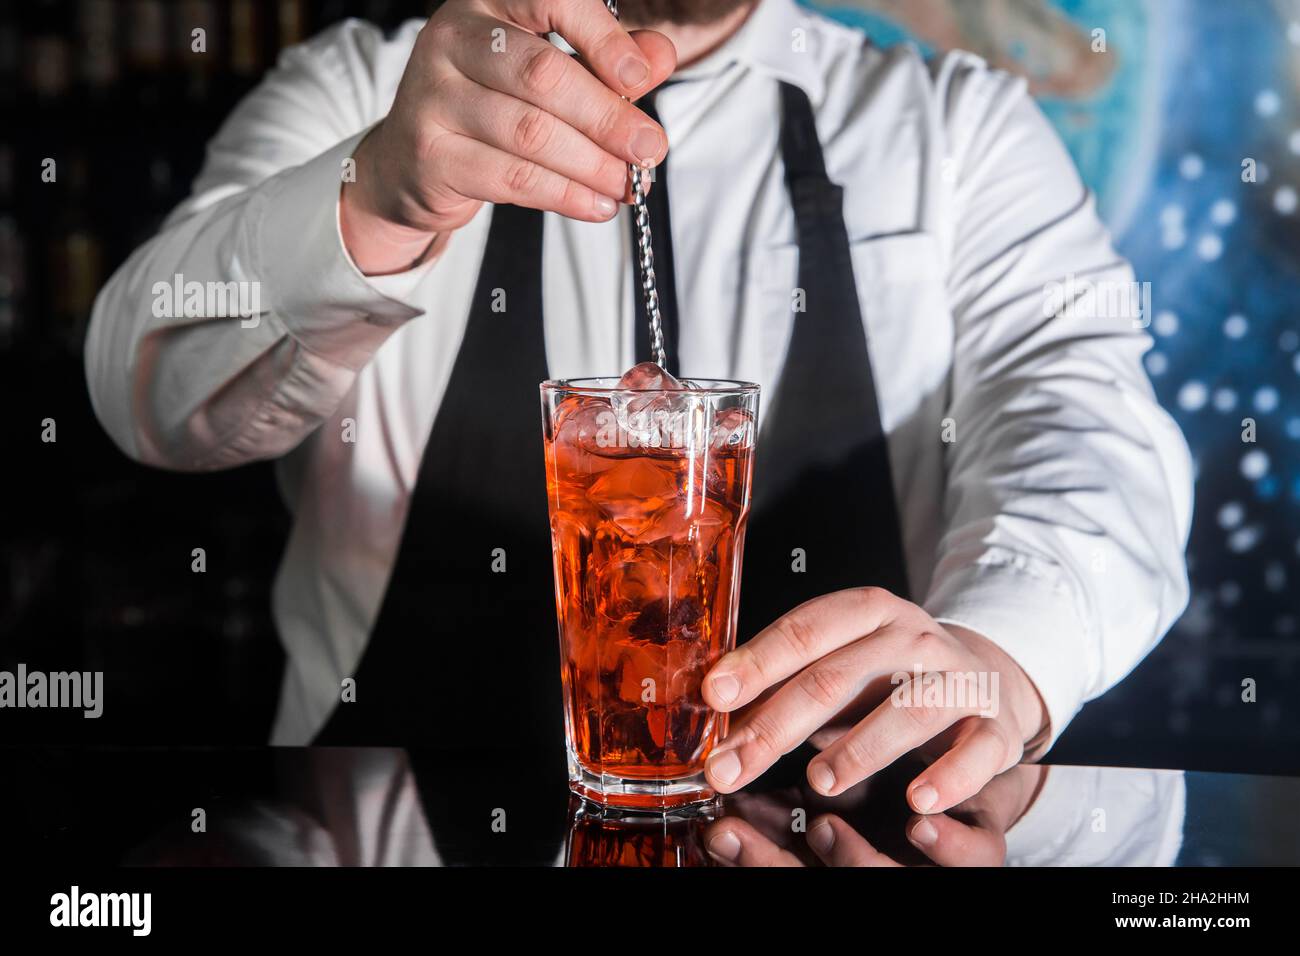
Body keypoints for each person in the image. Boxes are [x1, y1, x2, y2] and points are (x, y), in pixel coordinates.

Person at [85, 0, 1193, 817]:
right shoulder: (359, 90)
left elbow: (1084, 416)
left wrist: (996, 645)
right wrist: (377, 193)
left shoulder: (955, 130)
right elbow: (146, 394)